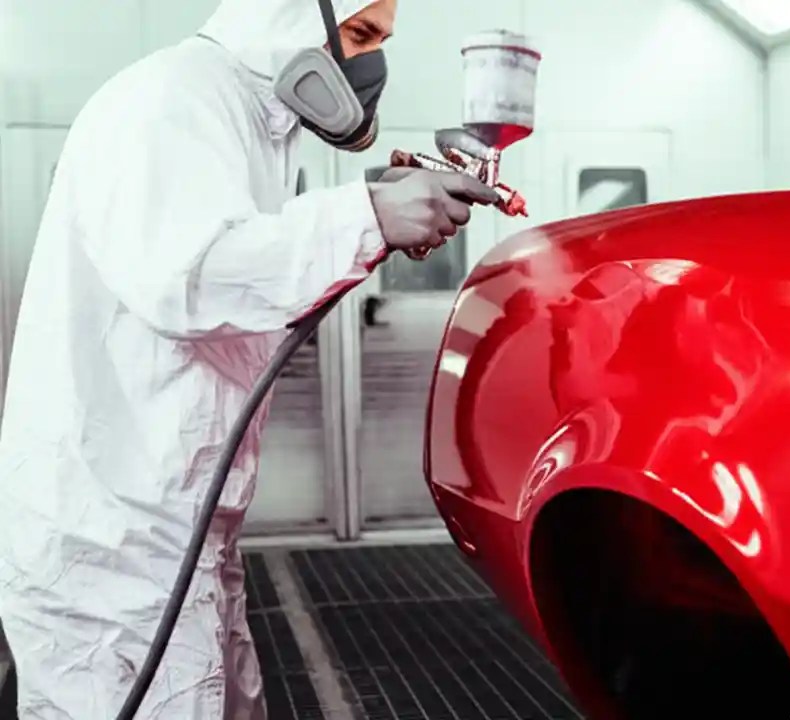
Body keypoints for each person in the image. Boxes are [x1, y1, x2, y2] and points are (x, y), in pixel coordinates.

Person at [0, 0, 498, 716]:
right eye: (359, 35)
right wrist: (362, 219)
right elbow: (191, 275)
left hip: (178, 534)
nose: (370, 65)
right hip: (110, 552)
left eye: (380, 41)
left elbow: (245, 246)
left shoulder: (250, 120)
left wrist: (368, 202)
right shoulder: (170, 98)